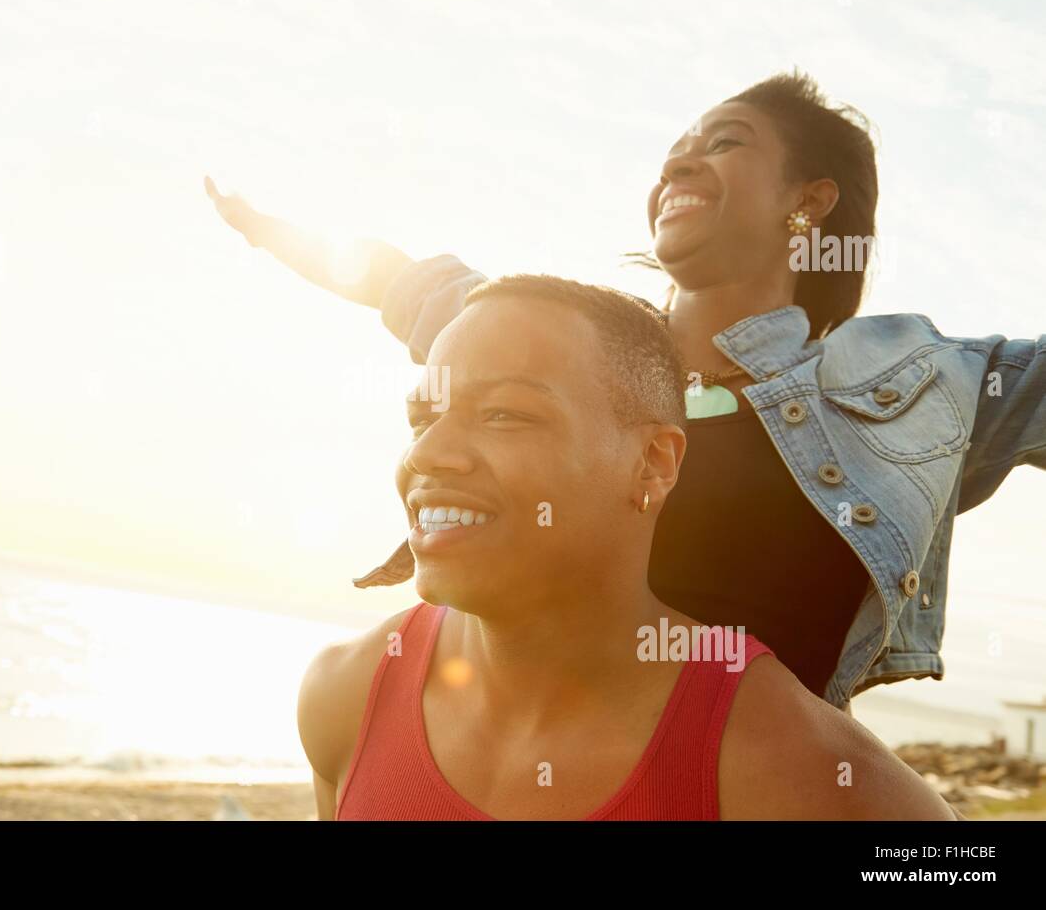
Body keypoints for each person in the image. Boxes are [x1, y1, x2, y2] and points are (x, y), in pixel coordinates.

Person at [209, 70, 1046, 712]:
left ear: (808, 203)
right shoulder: (558, 342)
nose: (680, 160)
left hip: (740, 783)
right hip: (499, 757)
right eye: (679, 145)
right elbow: (409, 282)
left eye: (725, 143)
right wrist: (277, 236)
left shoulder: (917, 385)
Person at [296, 275, 954, 820]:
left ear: (652, 463)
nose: (429, 454)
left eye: (505, 414)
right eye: (423, 418)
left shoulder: (791, 772)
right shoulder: (344, 695)